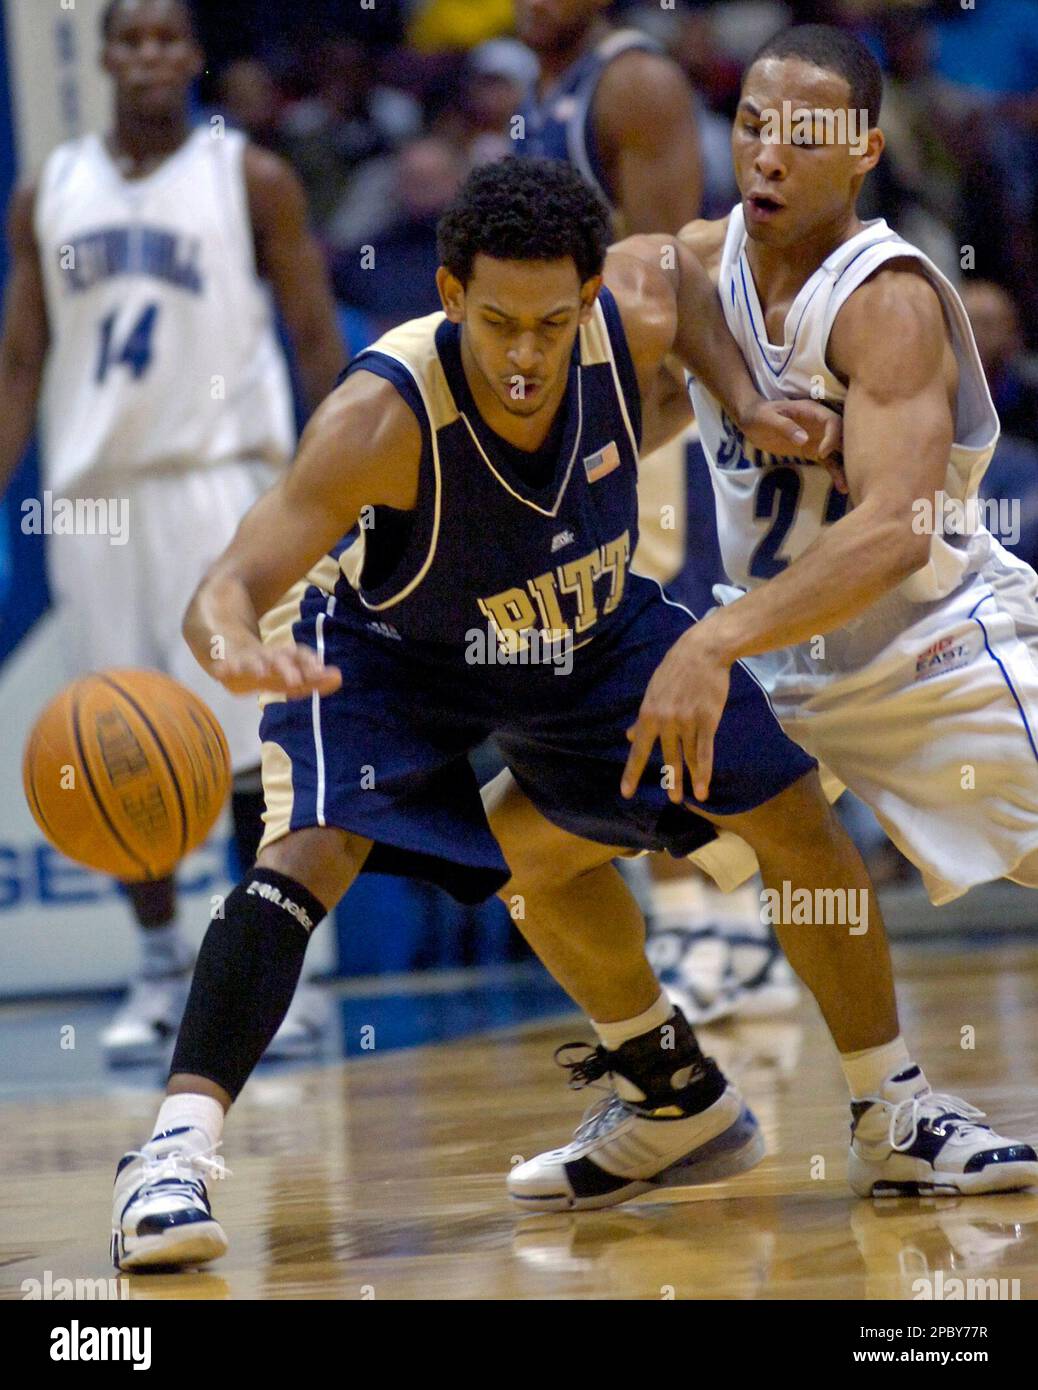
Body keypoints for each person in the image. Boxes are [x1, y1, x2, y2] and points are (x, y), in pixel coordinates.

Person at [109, 157, 1036, 1271]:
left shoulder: (634, 299)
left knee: (783, 805)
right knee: (310, 848)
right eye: (497, 321)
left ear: (592, 295)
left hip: (584, 630)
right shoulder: (378, 418)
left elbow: (682, 276)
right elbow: (228, 584)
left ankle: (851, 1110)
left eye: (552, 322)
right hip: (397, 655)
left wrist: (740, 398)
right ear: (450, 296)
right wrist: (230, 649)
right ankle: (169, 1156)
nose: (524, 354)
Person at [619, 24, 1038, 1156]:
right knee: (530, 841)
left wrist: (712, 643)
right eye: (753, 127)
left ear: (859, 151)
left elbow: (897, 531)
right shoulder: (705, 265)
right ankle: (681, 1099)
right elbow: (636, 276)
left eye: (802, 138)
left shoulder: (885, 298)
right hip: (782, 655)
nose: (767, 156)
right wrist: (734, 392)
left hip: (933, 650)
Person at [0, 0, 344, 1062]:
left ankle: (266, 978)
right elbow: (22, 360)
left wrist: (338, 494)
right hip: (97, 495)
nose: (148, 55)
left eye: (166, 38)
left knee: (245, 746)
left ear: (193, 56)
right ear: (104, 56)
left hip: (224, 484)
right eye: (129, 39)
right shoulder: (48, 190)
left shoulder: (249, 176)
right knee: (114, 739)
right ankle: (159, 971)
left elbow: (316, 336)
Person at [513, 0, 794, 1023]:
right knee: (605, 687)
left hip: (641, 420)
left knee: (658, 668)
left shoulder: (632, 82)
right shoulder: (544, 86)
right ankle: (708, 927)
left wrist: (625, 440)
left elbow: (663, 277)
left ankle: (725, 935)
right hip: (577, 423)